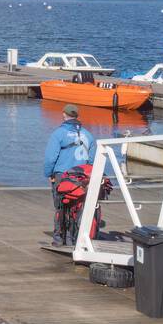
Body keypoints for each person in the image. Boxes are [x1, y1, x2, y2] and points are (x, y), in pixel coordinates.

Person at [43, 104, 96, 245]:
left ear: (64, 115)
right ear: (77, 116)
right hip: (81, 177)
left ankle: (59, 239)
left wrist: (49, 173)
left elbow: (50, 158)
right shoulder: (88, 135)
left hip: (63, 175)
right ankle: (74, 239)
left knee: (61, 207)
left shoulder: (58, 133)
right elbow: (92, 160)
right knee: (76, 207)